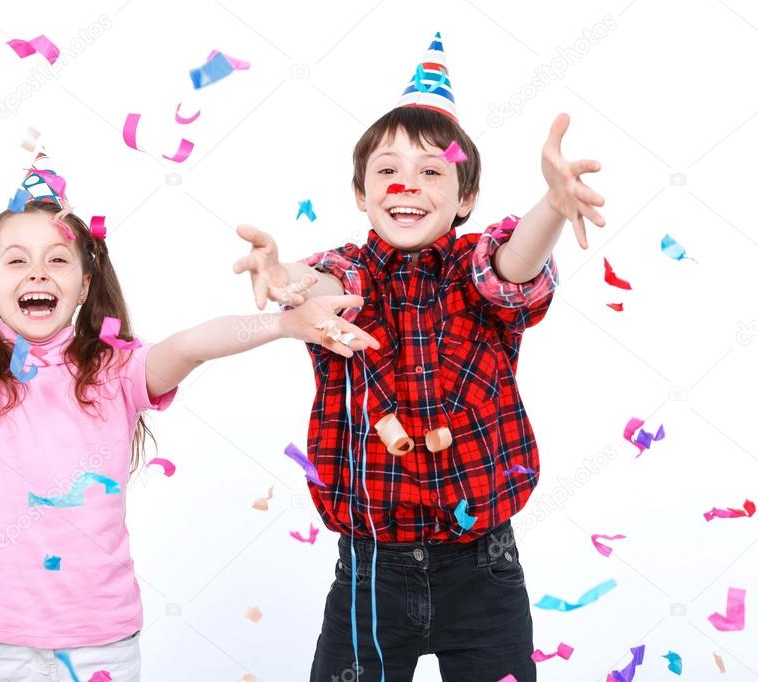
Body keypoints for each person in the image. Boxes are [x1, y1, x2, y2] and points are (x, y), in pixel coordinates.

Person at [0, 155, 379, 682]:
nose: (38, 272)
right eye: (16, 261)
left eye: (58, 260)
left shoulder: (116, 372)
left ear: (82, 286)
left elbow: (192, 343)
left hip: (102, 640)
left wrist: (283, 324)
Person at [234, 33, 605, 681]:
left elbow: (513, 267)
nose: (407, 182)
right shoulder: (347, 272)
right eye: (388, 170)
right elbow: (322, 289)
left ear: (464, 199)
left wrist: (550, 206)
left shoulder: (477, 267)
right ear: (361, 193)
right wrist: (282, 275)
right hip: (369, 572)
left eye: (432, 170)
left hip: (483, 570)